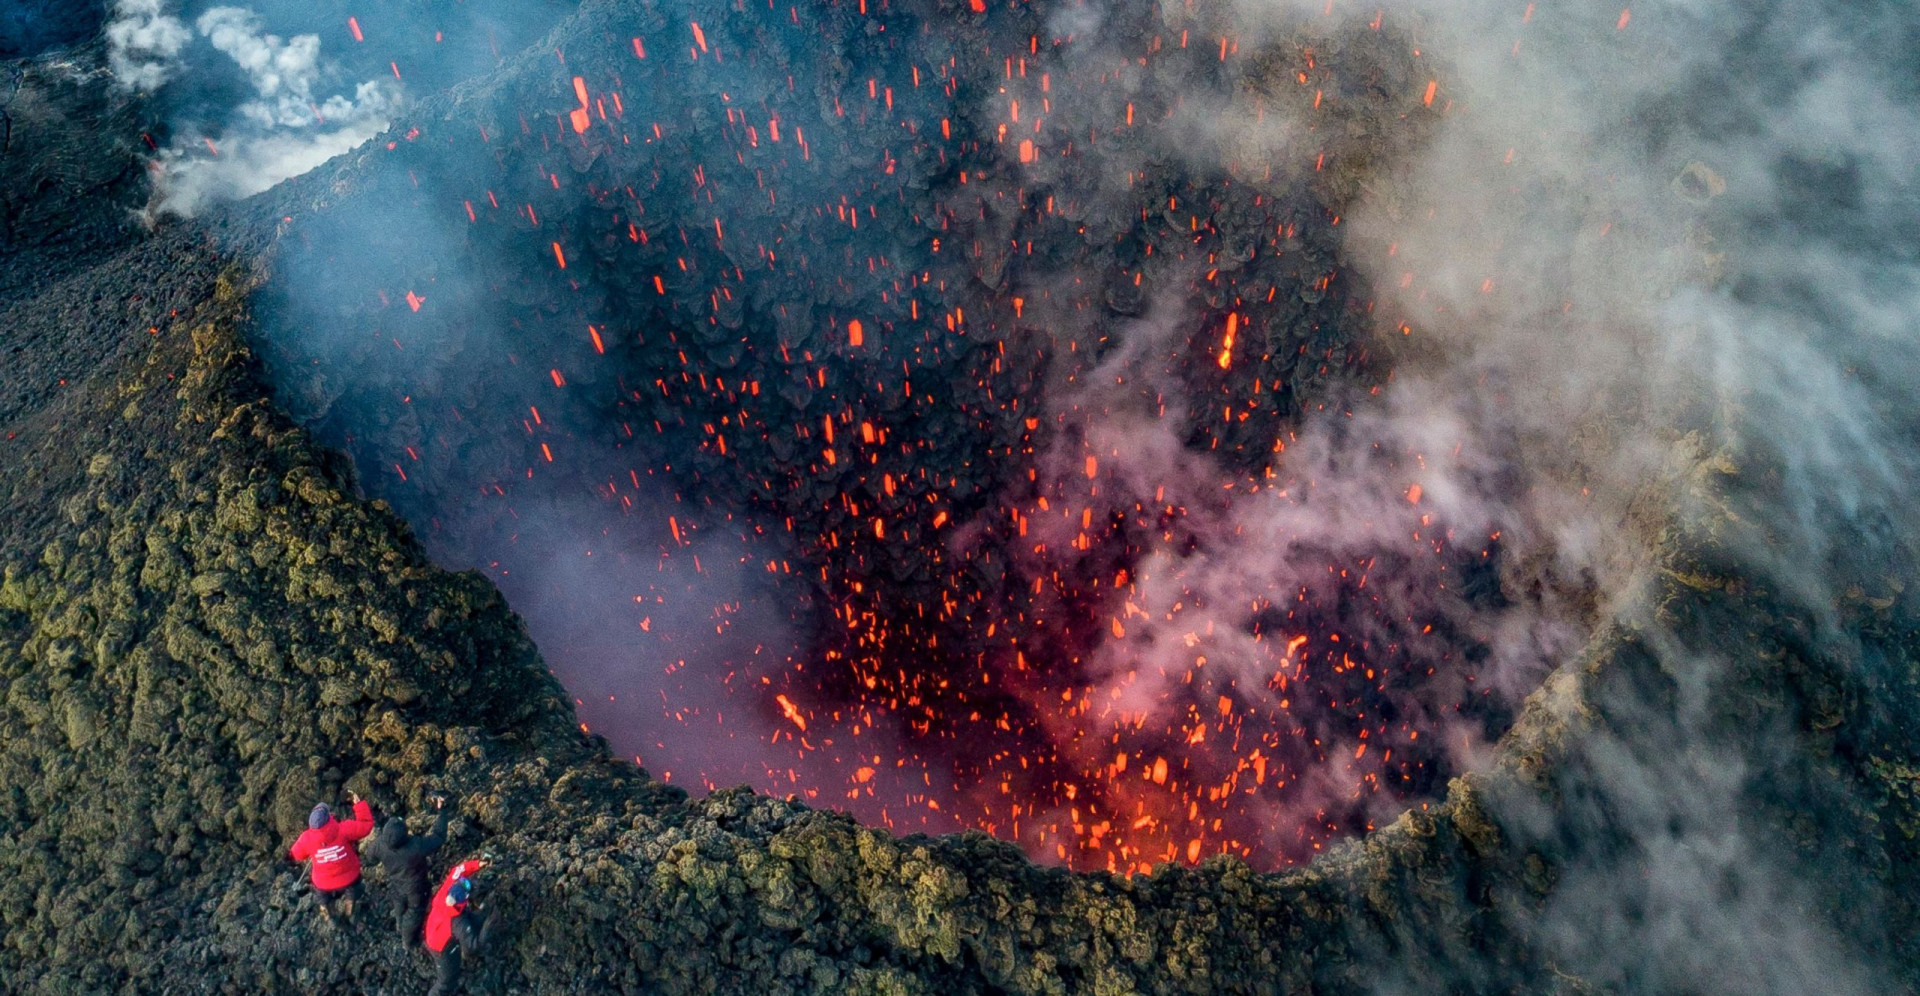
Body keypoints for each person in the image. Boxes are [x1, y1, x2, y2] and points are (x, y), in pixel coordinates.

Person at [367, 794, 450, 945]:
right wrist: (442, 812)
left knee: (399, 905)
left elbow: (370, 858)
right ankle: (408, 942)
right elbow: (438, 837)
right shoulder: (416, 846)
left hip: (396, 884)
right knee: (414, 913)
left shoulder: (379, 845)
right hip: (416, 888)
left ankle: (399, 925)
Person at [287, 791, 375, 921]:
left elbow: (296, 855)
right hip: (349, 877)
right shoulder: (344, 829)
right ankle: (349, 908)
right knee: (354, 888)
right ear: (329, 817)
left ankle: (326, 913)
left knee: (321, 894)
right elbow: (366, 825)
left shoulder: (306, 838)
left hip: (323, 882)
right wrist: (358, 804)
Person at [424, 856, 499, 996]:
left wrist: (479, 863)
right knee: (447, 981)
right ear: (461, 901)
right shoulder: (456, 923)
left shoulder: (448, 888)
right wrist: (489, 926)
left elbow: (459, 869)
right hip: (440, 947)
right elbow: (472, 947)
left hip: (435, 925)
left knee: (474, 919)